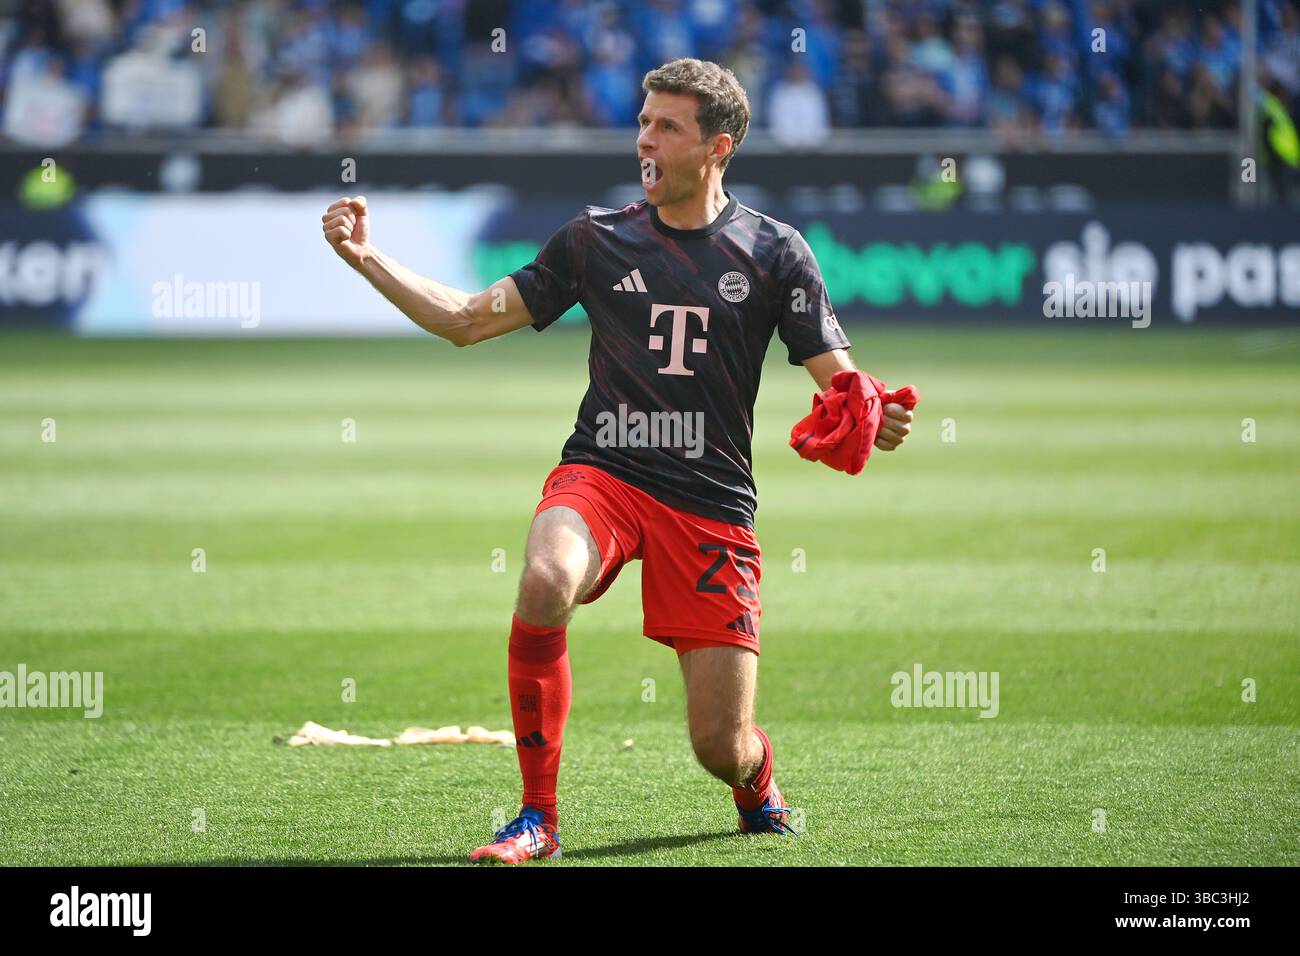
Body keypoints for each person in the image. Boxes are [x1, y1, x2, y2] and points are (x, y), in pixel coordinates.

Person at [321, 57, 913, 864]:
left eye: (668, 127)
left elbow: (842, 382)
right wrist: (365, 257)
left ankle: (757, 781)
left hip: (711, 504)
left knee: (719, 745)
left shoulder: (776, 253)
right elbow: (464, 319)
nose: (646, 140)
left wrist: (868, 415)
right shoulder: (594, 240)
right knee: (544, 580)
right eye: (643, 121)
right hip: (605, 473)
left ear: (718, 148)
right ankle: (536, 818)